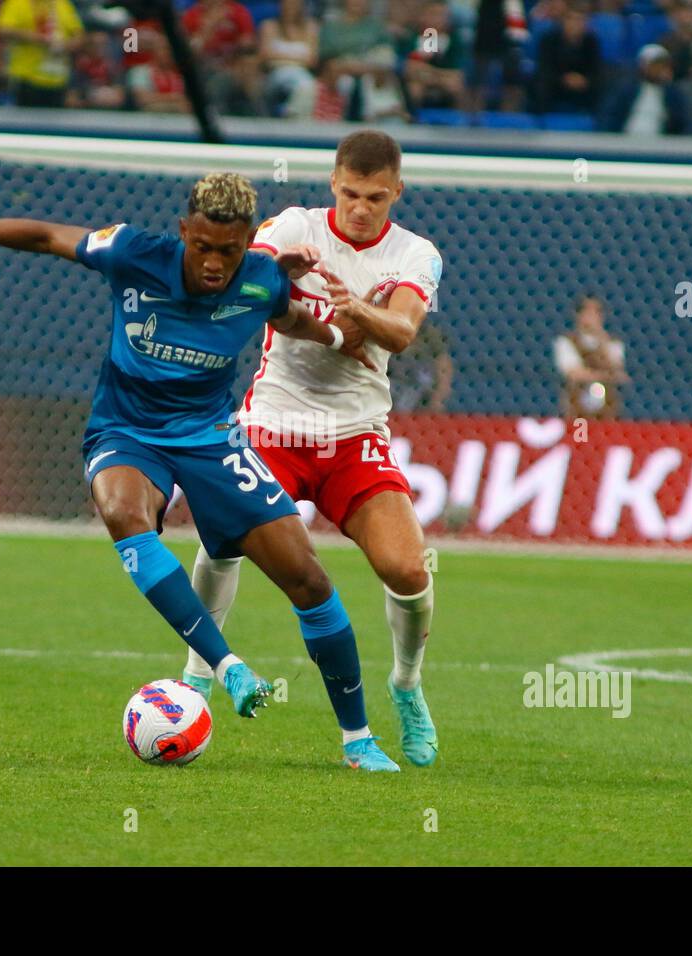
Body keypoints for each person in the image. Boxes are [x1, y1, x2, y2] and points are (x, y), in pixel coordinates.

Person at [0, 172, 402, 772]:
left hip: (211, 440)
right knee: (122, 512)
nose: (216, 263)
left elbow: (286, 317)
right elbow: (42, 235)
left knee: (309, 581)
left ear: (250, 241)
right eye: (204, 247)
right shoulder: (132, 252)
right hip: (127, 432)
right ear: (183, 232)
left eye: (230, 249)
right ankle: (226, 667)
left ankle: (359, 741)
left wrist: (331, 333)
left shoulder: (263, 277)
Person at [182, 131, 445, 769]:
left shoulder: (415, 253)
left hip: (355, 436)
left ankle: (406, 686)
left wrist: (360, 310)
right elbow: (242, 276)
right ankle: (194, 682)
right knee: (222, 537)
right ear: (333, 182)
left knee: (409, 572)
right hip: (275, 423)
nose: (360, 207)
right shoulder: (296, 224)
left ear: (396, 193)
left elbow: (405, 330)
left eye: (375, 197)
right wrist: (279, 274)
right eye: (350, 193)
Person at [0, 0, 85, 108]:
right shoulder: (18, 3)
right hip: (27, 79)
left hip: (58, 80)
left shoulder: (62, 3)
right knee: (25, 120)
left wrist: (64, 46)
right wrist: (37, 38)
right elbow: (3, 29)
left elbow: (79, 35)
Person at [553, 293, 629, 420]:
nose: (592, 317)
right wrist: (606, 376)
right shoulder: (565, 341)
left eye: (596, 312)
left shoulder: (613, 342)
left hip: (608, 411)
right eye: (587, 312)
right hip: (576, 409)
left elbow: (615, 367)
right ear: (578, 315)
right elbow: (574, 373)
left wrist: (601, 338)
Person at [600, 43, 687, 134]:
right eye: (655, 65)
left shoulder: (672, 95)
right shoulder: (626, 90)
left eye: (663, 65)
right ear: (643, 65)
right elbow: (610, 116)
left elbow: (680, 123)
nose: (659, 69)